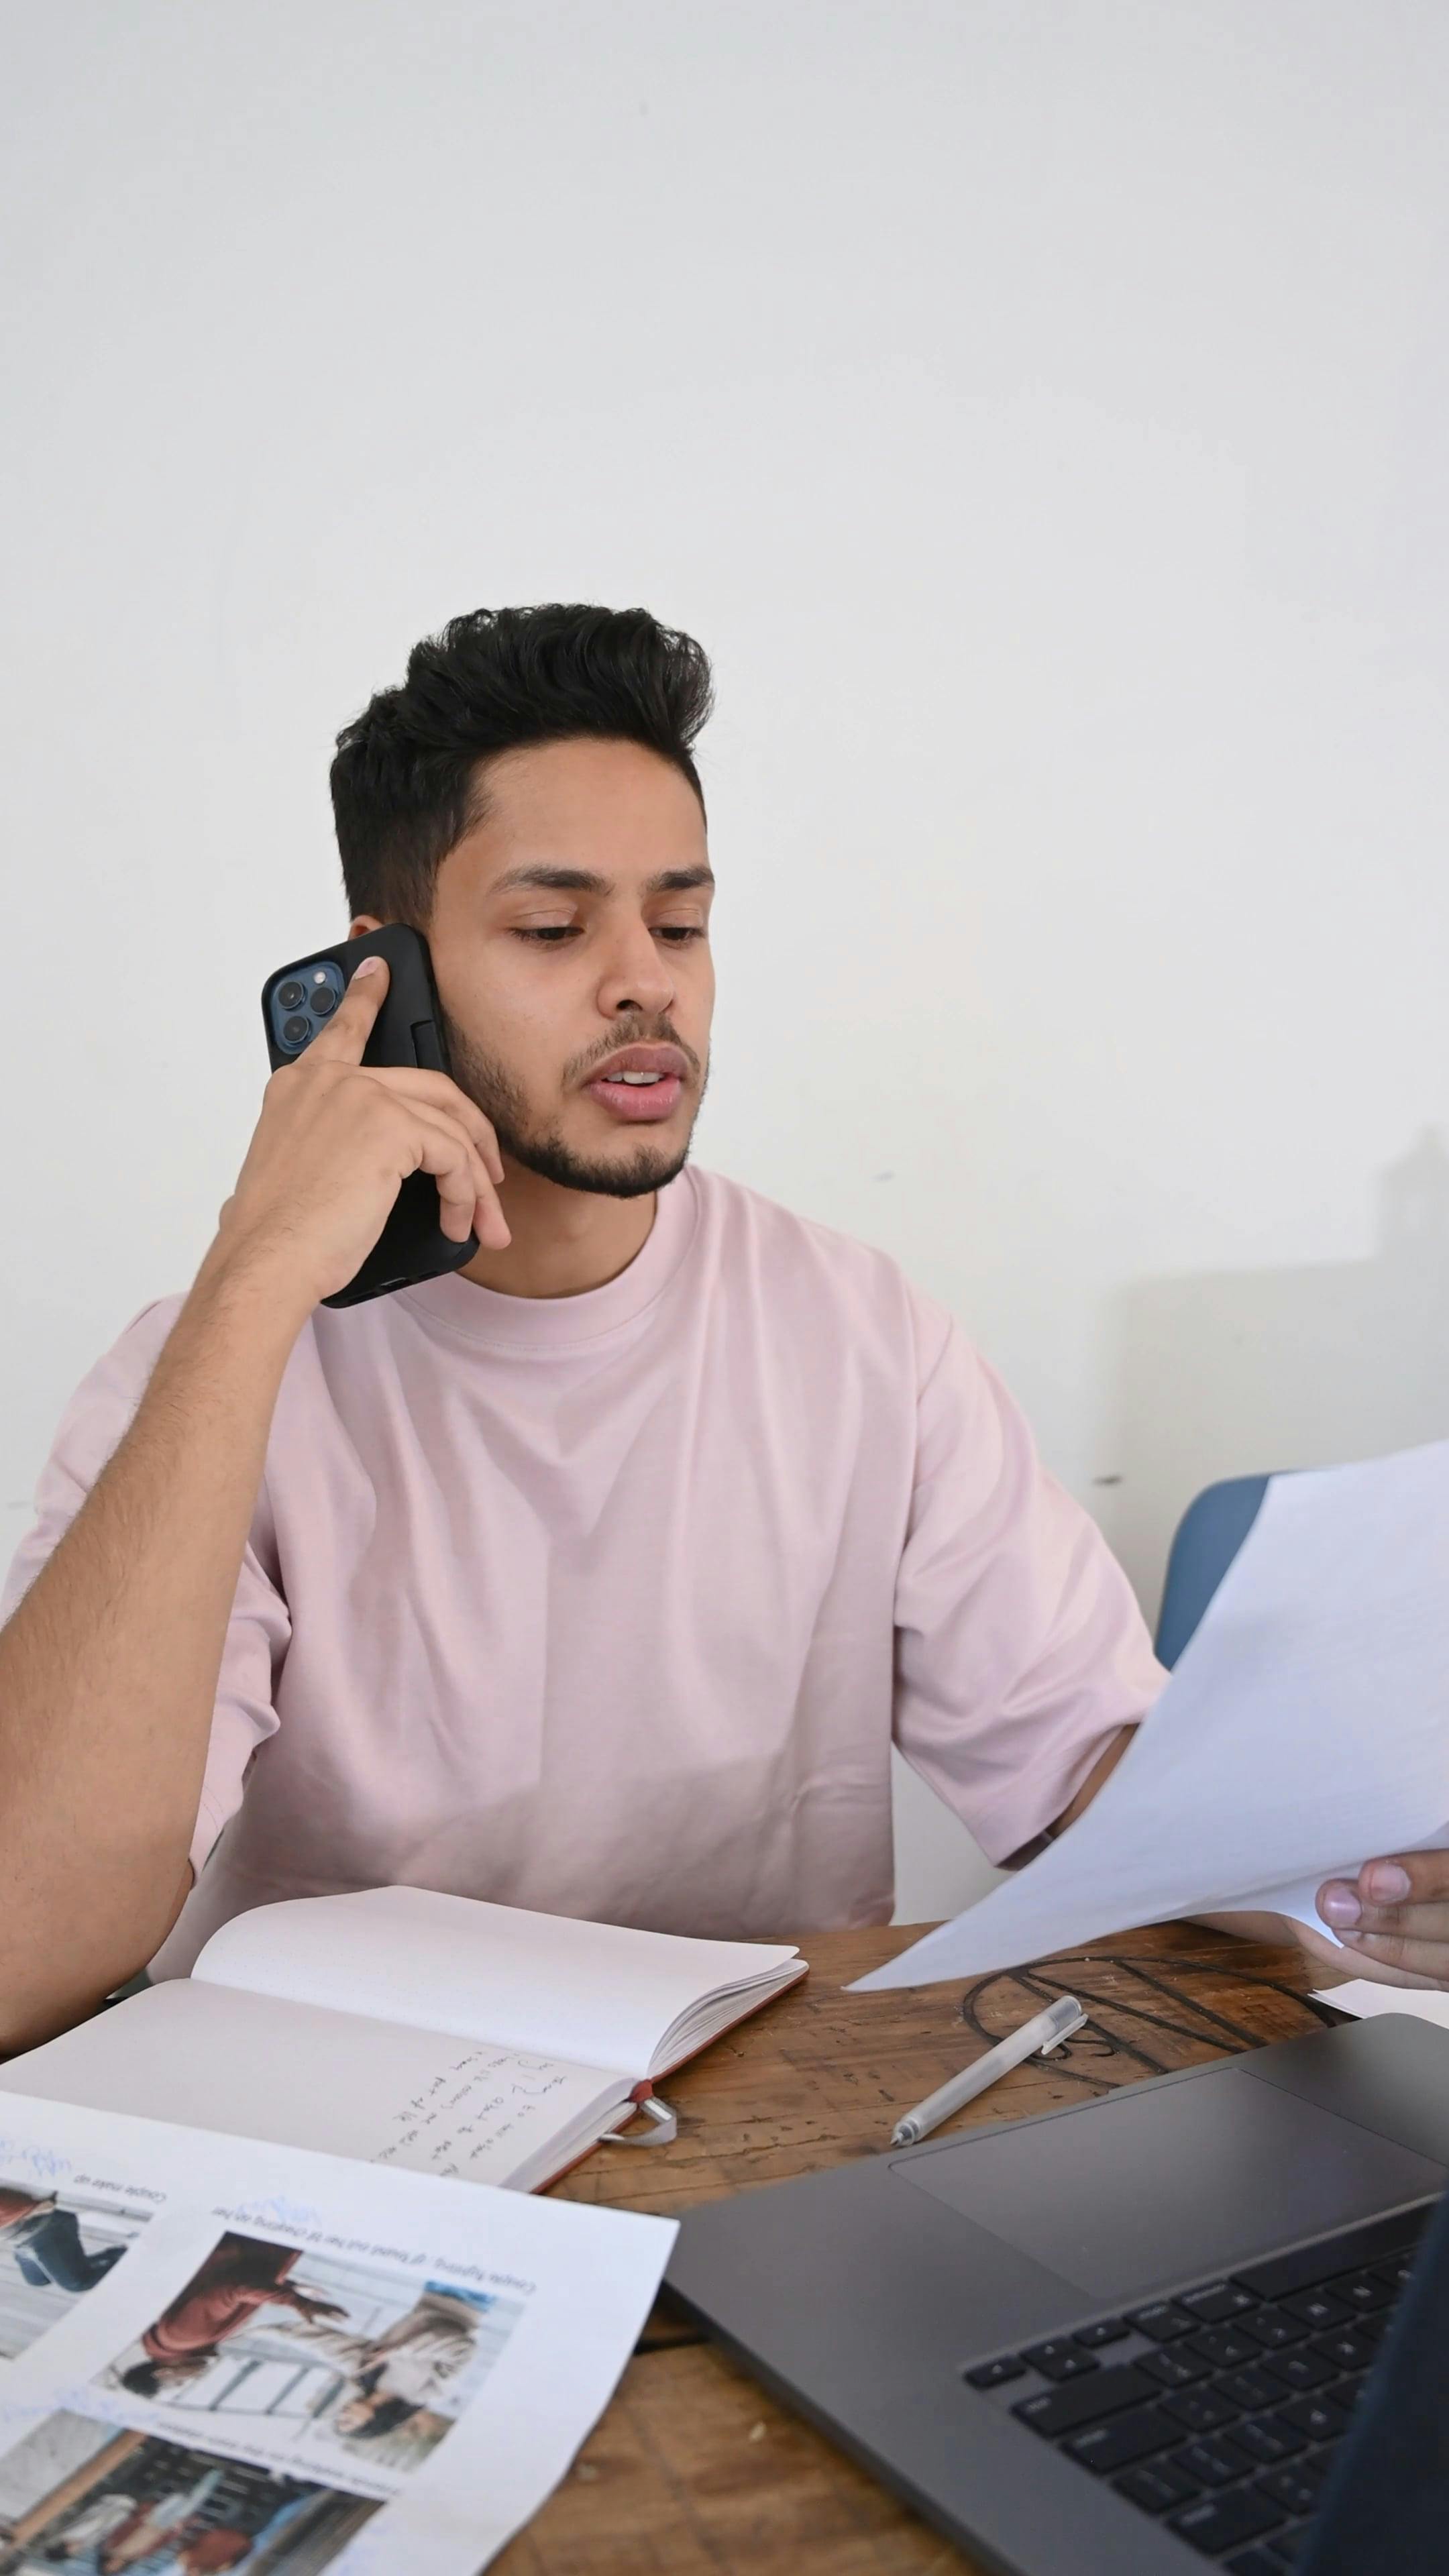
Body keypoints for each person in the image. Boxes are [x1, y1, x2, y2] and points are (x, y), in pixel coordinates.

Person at [0, 604, 1442, 2051]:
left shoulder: (863, 1334)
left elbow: (1100, 1782)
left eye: (680, 921)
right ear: (387, 976)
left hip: (751, 2146)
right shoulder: (204, 1375)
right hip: (352, 2172)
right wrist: (254, 1279)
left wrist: (1373, 1885)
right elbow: (24, 1948)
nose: (648, 980)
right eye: (556, 928)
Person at [116, 2239, 343, 2397]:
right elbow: (225, 2287)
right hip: (258, 2247)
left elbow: (234, 2290)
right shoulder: (181, 2343)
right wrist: (290, 2287)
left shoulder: (183, 2337)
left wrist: (300, 2303)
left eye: (179, 2382)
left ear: (164, 2372)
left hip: (259, 2244)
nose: (192, 2379)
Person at [0, 2188, 125, 2295]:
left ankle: (124, 2259)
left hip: (44, 2228)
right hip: (20, 2241)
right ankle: (101, 2260)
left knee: (77, 2284)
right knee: (38, 2280)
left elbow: (43, 2207)